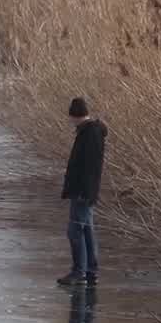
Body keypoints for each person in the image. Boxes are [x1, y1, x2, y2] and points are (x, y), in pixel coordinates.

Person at [60, 97, 107, 286]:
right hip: (84, 190)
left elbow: (90, 167)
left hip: (83, 191)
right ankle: (89, 270)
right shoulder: (90, 132)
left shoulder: (90, 134)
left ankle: (79, 271)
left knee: (75, 231)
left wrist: (84, 192)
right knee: (86, 229)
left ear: (74, 115)